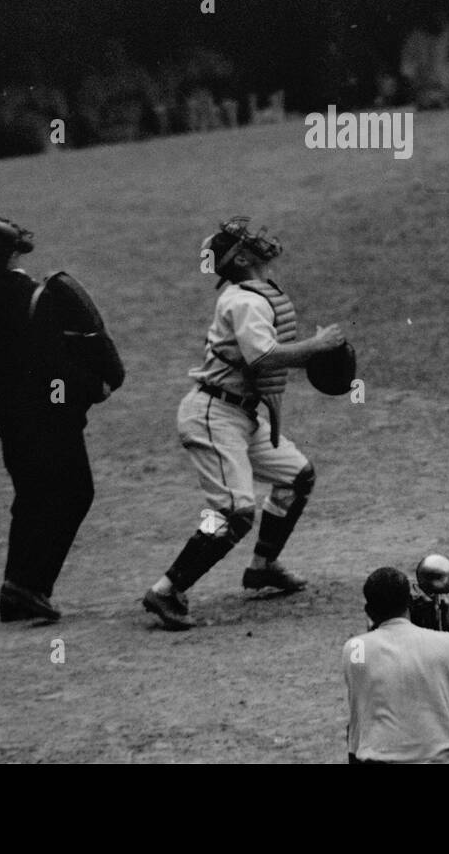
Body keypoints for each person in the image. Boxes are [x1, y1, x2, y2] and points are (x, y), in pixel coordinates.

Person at [142, 218, 345, 630]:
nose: (258, 239)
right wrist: (316, 347)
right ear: (241, 257)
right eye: (245, 241)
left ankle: (263, 566)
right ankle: (167, 590)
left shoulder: (254, 293)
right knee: (233, 512)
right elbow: (262, 357)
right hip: (213, 416)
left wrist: (311, 351)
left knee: (296, 477)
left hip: (241, 415)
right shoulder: (245, 301)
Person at [0, 215, 125, 623]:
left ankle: (16, 589)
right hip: (51, 414)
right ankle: (32, 587)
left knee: (30, 496)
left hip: (9, 410)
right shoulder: (39, 297)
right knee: (75, 493)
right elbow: (57, 363)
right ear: (15, 252)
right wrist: (94, 387)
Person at [344, 567, 449, 765]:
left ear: (369, 612)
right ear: (409, 602)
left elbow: (364, 673)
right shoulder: (448, 643)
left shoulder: (355, 648)